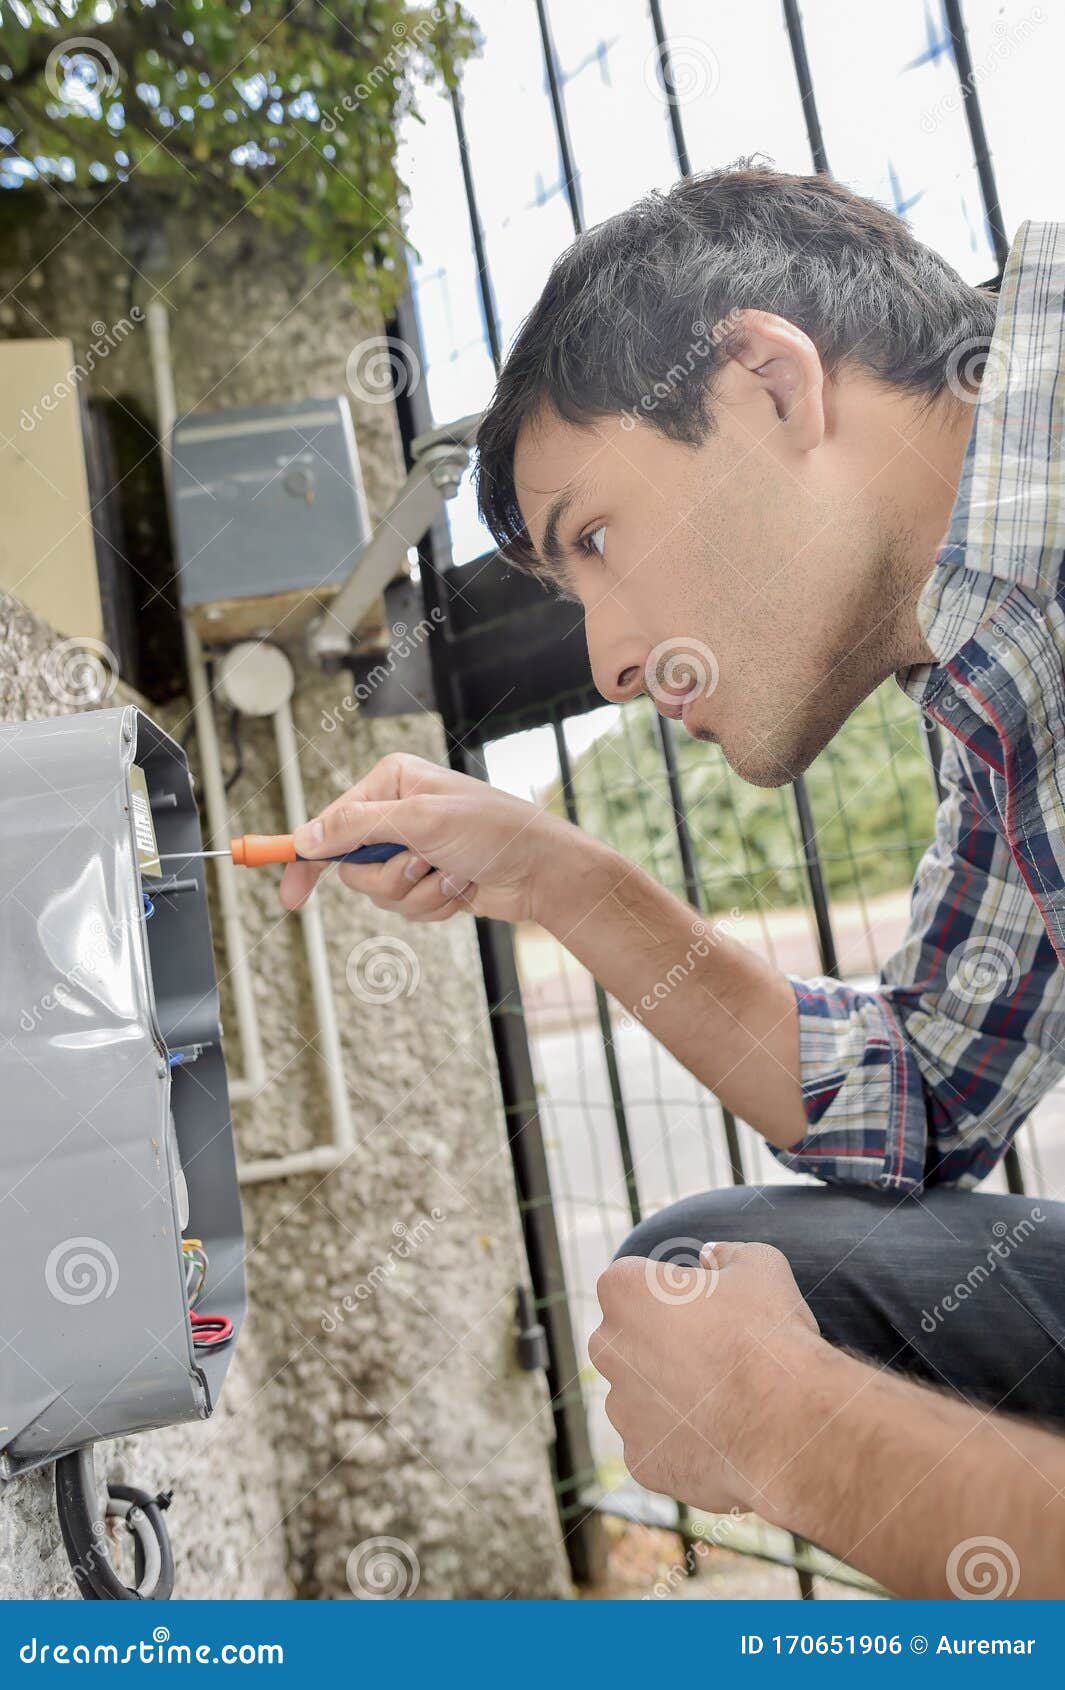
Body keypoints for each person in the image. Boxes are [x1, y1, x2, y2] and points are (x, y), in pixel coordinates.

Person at [280, 166, 1065, 1598]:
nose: (604, 664)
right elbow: (925, 1097)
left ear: (770, 381)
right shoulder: (988, 662)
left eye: (592, 538)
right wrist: (556, 875)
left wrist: (801, 1430)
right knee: (709, 1263)